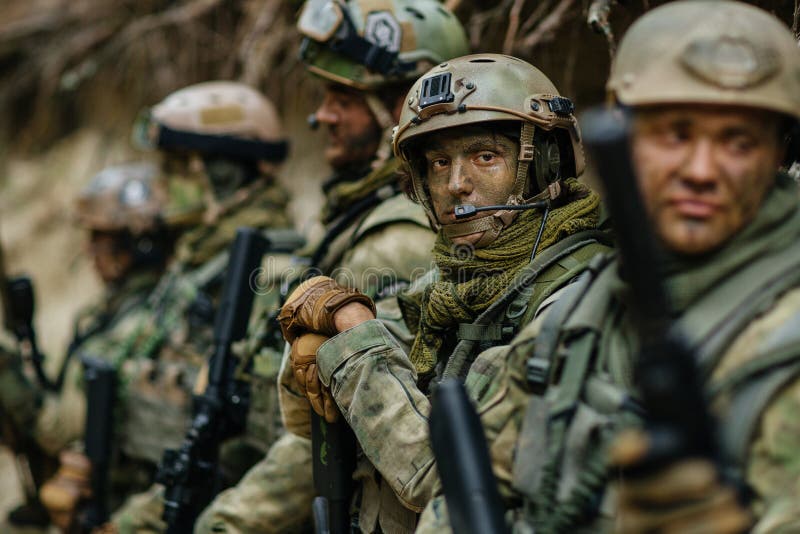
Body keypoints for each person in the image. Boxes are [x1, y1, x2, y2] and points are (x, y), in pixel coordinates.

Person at [418, 1, 800, 532]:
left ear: (780, 151)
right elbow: (461, 492)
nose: (701, 171)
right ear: (626, 139)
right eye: (675, 134)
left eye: (738, 141)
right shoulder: (588, 310)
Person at [276, 52, 612, 533]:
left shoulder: (574, 304)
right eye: (438, 163)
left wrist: (352, 334)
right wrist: (317, 340)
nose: (457, 185)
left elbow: (442, 479)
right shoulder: (444, 290)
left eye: (485, 157)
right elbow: (305, 422)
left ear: (546, 163)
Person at [192, 2, 470, 532]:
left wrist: (225, 524)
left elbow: (341, 421)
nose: (322, 116)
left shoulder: (395, 236)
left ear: (400, 110)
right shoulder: (354, 215)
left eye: (343, 98)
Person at [0, 162, 179, 531]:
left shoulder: (137, 327)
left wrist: (5, 368)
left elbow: (60, 432)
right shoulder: (107, 313)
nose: (89, 249)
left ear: (139, 243)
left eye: (100, 237)